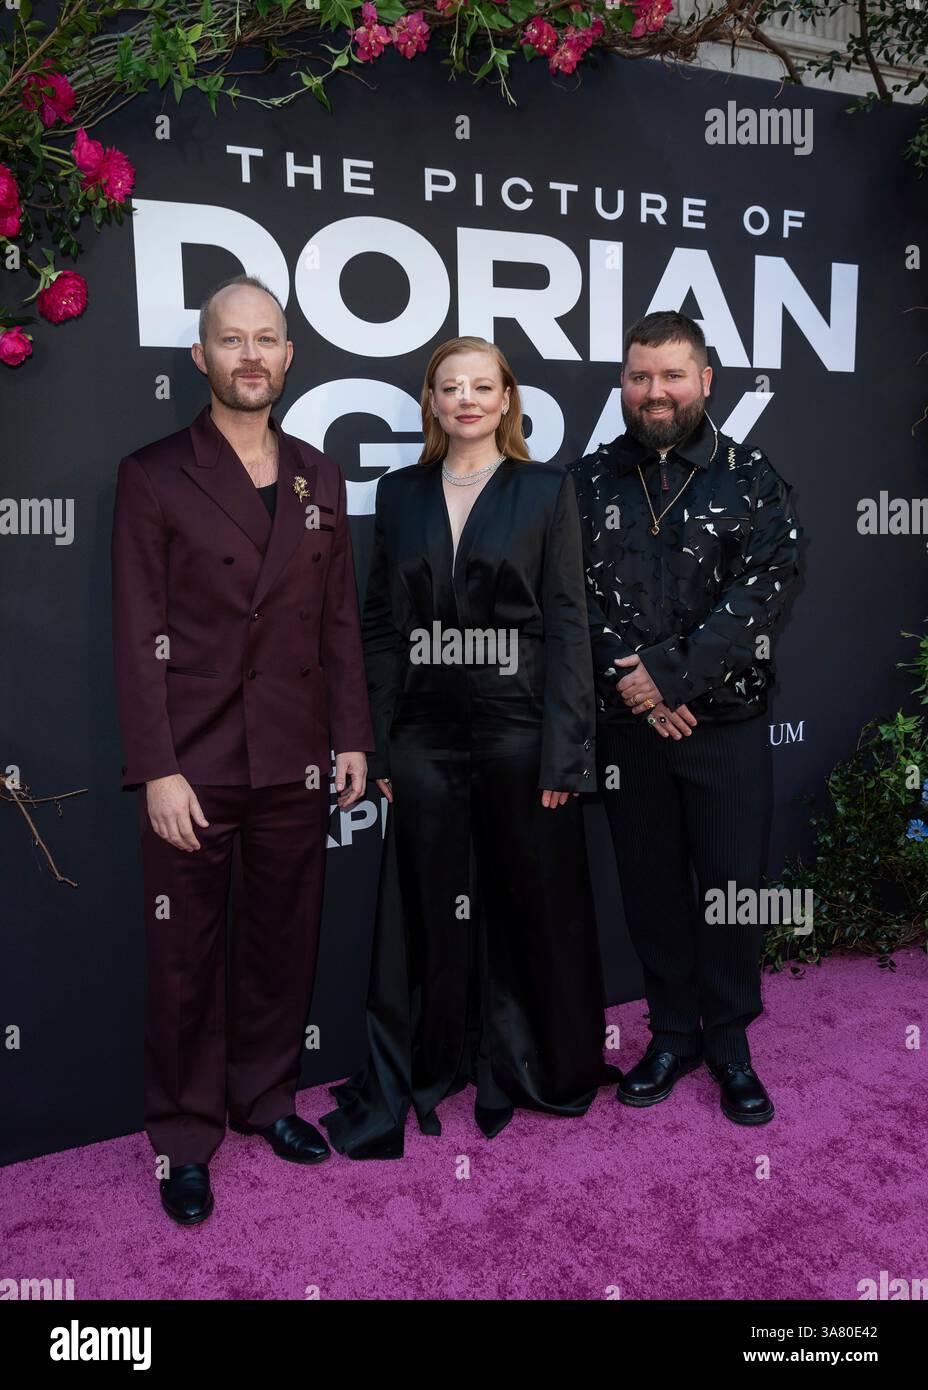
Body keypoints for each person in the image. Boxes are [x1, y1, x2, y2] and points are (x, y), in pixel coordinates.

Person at [111, 273, 374, 1223]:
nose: (250, 355)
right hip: (196, 764)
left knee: (281, 944)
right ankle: (184, 1138)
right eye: (232, 340)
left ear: (289, 356)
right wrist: (158, 766)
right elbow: (138, 632)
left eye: (267, 339)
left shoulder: (319, 474)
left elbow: (336, 622)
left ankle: (266, 1100)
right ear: (202, 356)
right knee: (184, 958)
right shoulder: (152, 475)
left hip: (298, 760)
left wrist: (352, 737)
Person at [319, 335, 617, 1159]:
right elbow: (379, 625)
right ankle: (428, 1060)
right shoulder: (401, 491)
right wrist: (377, 744)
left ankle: (520, 1064)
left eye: (482, 386)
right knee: (423, 906)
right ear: (432, 401)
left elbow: (568, 627)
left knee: (528, 900)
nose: (467, 401)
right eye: (451, 388)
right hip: (422, 736)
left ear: (507, 397)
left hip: (521, 729)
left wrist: (568, 753)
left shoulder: (545, 489)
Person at [567, 310, 801, 1126]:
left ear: (706, 380)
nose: (654, 391)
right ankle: (672, 1033)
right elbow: (567, 597)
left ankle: (731, 1042)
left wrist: (668, 678)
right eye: (639, 376)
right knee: (652, 889)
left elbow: (767, 590)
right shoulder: (589, 480)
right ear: (623, 385)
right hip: (630, 733)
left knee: (732, 891)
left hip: (725, 727)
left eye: (671, 375)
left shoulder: (753, 477)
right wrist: (636, 690)